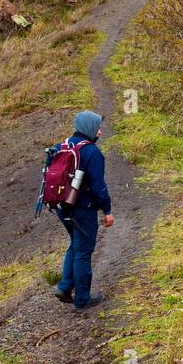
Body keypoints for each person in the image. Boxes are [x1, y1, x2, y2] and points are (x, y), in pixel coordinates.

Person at [54, 109, 114, 311]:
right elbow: (99, 186)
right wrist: (107, 210)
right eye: (98, 128)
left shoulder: (61, 146)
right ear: (89, 128)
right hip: (83, 209)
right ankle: (82, 300)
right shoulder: (91, 152)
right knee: (83, 252)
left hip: (61, 207)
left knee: (75, 245)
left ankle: (64, 287)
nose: (100, 132)